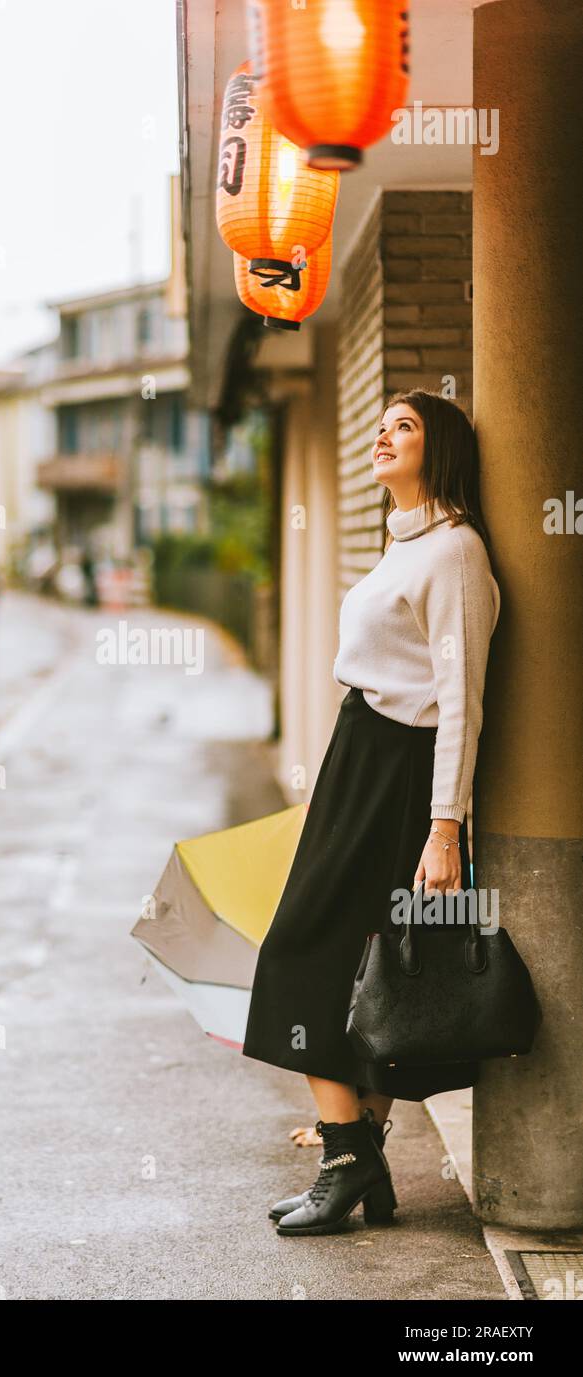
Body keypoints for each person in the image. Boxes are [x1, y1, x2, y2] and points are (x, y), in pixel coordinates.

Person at [241, 389, 501, 1236]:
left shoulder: (455, 552)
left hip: (402, 772)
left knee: (310, 950)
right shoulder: (401, 547)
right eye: (381, 424)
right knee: (361, 961)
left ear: (441, 448)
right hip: (358, 755)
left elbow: (461, 701)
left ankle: (348, 1154)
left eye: (406, 426)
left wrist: (443, 825)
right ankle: (364, 1164)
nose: (384, 434)